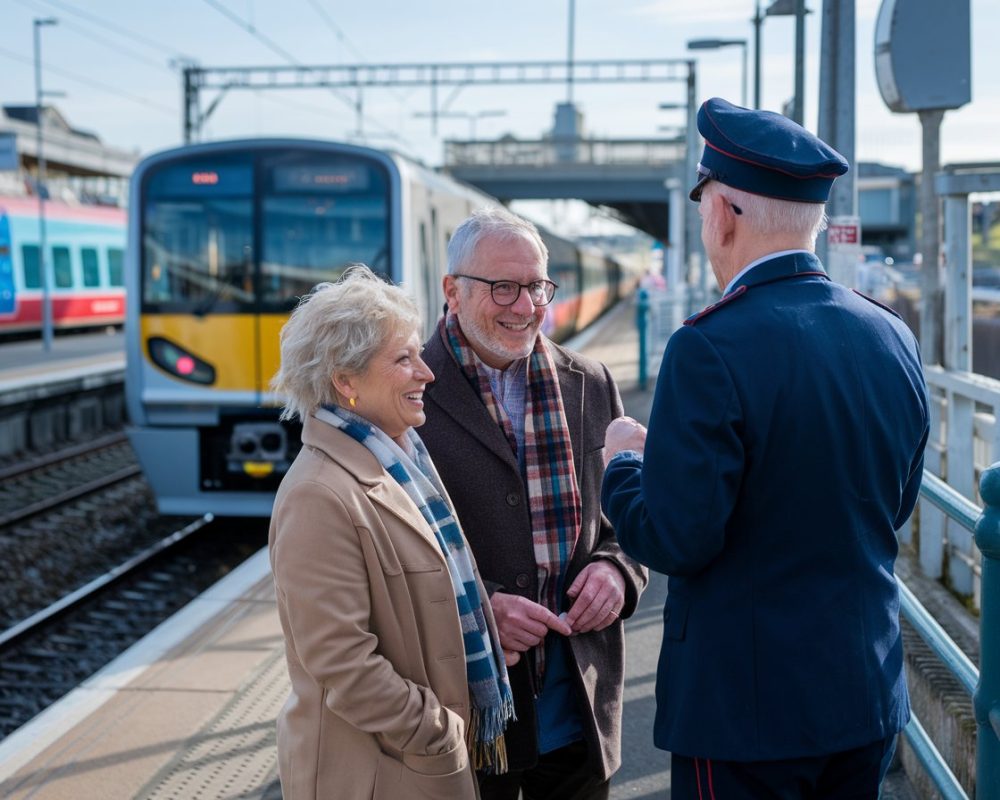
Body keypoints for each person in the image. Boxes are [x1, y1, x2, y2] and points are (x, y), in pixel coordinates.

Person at [601, 97, 929, 799]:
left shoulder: (707, 347)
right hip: (863, 695)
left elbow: (679, 538)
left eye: (702, 204)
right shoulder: (891, 335)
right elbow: (893, 504)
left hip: (746, 716)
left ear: (722, 213)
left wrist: (623, 467)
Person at [418, 207, 648, 800]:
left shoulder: (591, 382)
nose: (525, 307)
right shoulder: (409, 390)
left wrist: (618, 571)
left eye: (536, 287)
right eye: (502, 287)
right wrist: (480, 608)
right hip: (468, 710)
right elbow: (387, 556)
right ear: (452, 290)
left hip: (579, 701)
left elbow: (628, 519)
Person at [268, 265, 514, 800]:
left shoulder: (402, 461)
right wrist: (436, 731)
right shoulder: (319, 494)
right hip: (375, 771)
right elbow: (342, 662)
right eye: (404, 359)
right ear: (346, 381)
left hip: (408, 763)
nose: (427, 373)